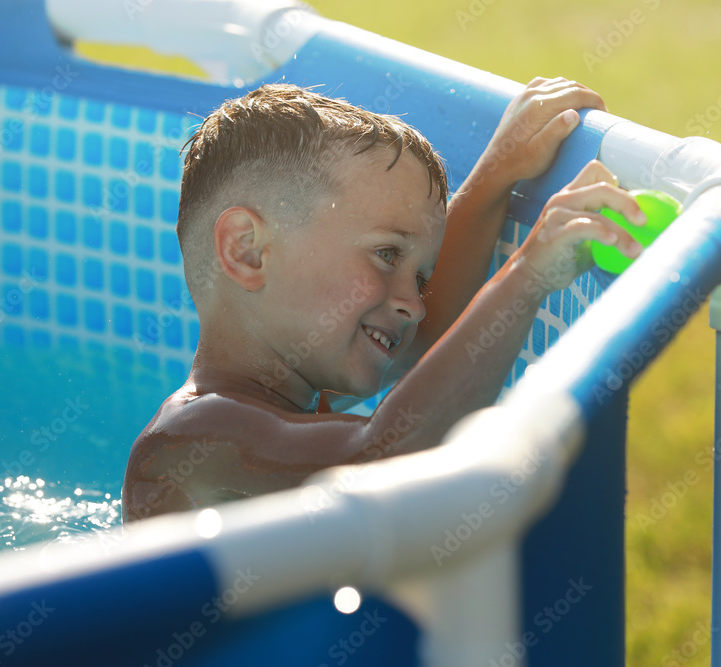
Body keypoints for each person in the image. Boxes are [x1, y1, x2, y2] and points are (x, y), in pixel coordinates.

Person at [122, 77, 646, 523]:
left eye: (419, 277)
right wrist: (528, 274)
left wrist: (496, 175)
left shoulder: (298, 398)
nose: (414, 305)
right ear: (248, 251)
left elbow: (431, 343)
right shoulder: (190, 440)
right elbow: (391, 457)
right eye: (386, 255)